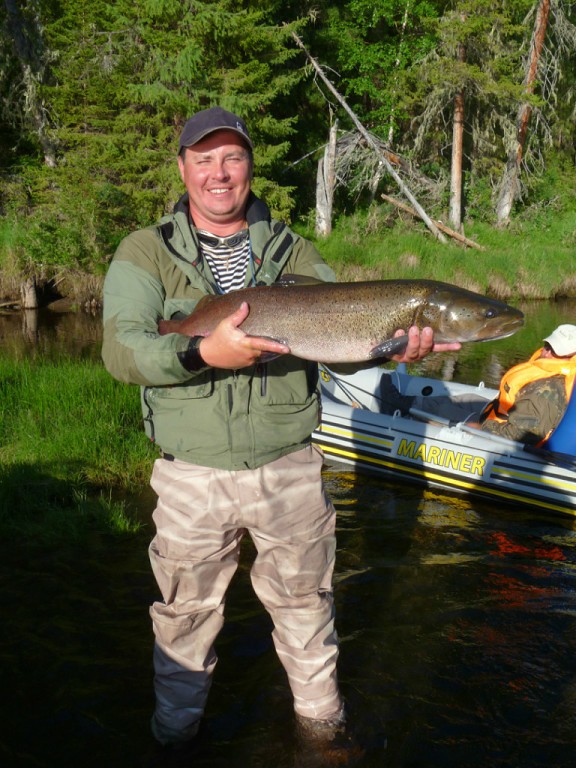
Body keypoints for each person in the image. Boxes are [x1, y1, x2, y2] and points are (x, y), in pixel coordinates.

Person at [101, 106, 459, 763]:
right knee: (184, 623)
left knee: (308, 614)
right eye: (203, 158)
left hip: (290, 470)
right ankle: (174, 740)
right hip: (191, 477)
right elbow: (124, 353)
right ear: (182, 168)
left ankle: (321, 738)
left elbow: (345, 337)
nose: (218, 172)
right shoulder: (143, 253)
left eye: (231, 157)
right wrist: (202, 353)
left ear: (249, 166)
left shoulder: (294, 251)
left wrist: (391, 349)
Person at [476, 324, 576, 445]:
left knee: (448, 408)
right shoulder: (545, 374)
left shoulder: (547, 391)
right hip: (494, 414)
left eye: (555, 352)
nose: (546, 354)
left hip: (495, 434)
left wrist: (480, 428)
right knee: (463, 399)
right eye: (547, 345)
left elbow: (522, 436)